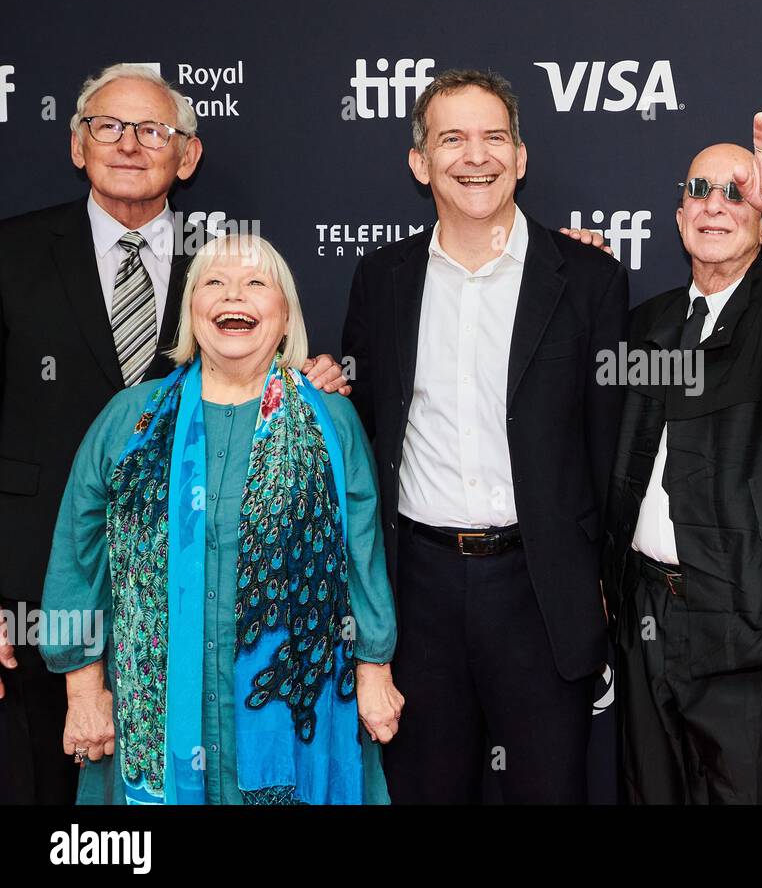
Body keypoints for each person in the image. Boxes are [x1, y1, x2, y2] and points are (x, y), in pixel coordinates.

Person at [0, 63, 346, 804]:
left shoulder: (226, 268)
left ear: (186, 156)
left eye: (153, 130)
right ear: (76, 145)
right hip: (36, 597)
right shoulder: (10, 254)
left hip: (198, 613)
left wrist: (311, 378)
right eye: (108, 126)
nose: (129, 144)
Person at [341, 68, 628, 803]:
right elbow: (365, 425)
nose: (477, 156)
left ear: (521, 156)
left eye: (494, 137)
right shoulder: (382, 280)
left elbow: (609, 446)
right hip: (420, 589)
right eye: (452, 139)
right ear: (420, 162)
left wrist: (600, 585)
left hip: (541, 591)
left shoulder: (590, 279)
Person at [39, 234, 399, 804]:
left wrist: (375, 670)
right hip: (149, 724)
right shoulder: (128, 421)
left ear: (285, 317)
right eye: (215, 283)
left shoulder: (332, 420)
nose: (235, 296)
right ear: (191, 311)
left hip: (298, 717)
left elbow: (363, 560)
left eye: (257, 284)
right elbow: (74, 562)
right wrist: (83, 691)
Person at [600, 113, 762, 804]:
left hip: (755, 617)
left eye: (735, 191)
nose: (714, 203)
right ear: (679, 210)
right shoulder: (648, 324)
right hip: (647, 615)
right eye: (699, 189)